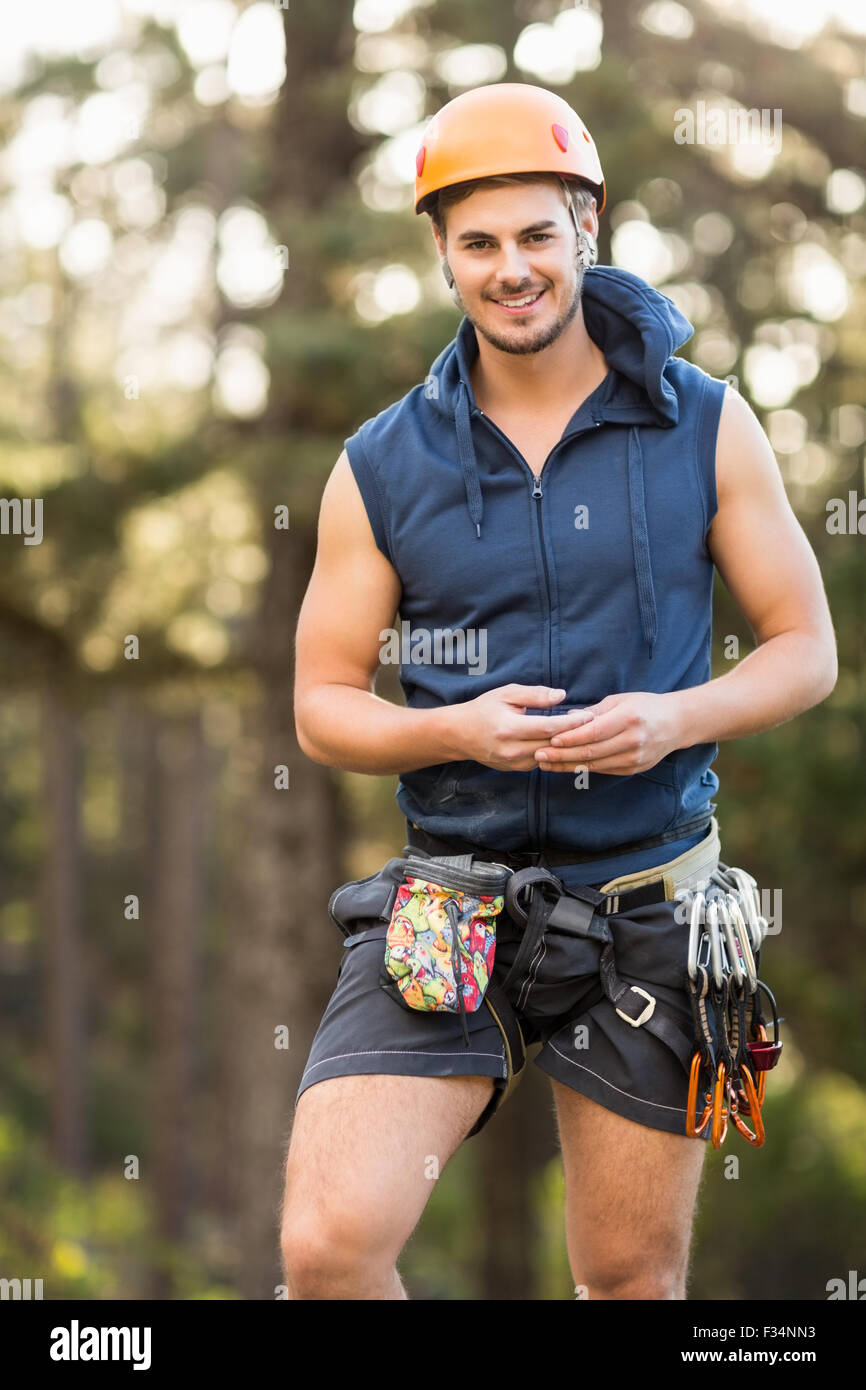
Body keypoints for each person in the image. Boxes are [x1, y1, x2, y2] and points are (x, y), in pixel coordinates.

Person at [281, 83, 837, 1300]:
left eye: (536, 234)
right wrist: (447, 726)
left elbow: (805, 648)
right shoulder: (377, 466)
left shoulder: (704, 424)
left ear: (587, 225)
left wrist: (676, 717)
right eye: (476, 243)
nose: (511, 269)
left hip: (650, 902)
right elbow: (323, 703)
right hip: (449, 907)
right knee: (328, 1248)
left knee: (627, 1280)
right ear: (441, 254)